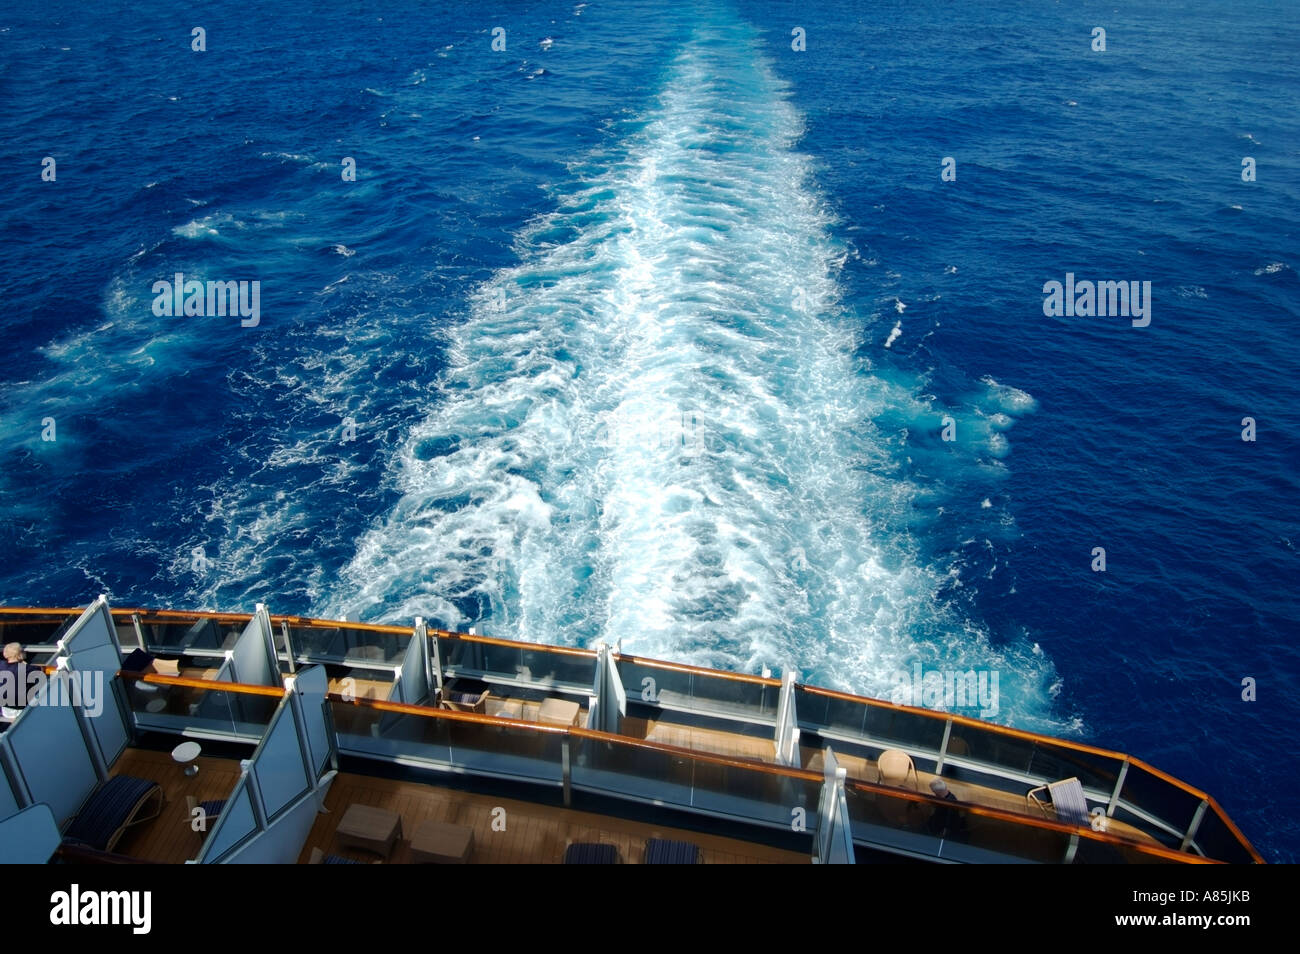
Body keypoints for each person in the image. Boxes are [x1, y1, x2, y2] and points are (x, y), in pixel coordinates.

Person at [1, 642, 27, 714]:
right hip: (18, 709)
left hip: (4, 709)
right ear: (19, 653)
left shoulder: (1, 665)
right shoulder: (26, 669)